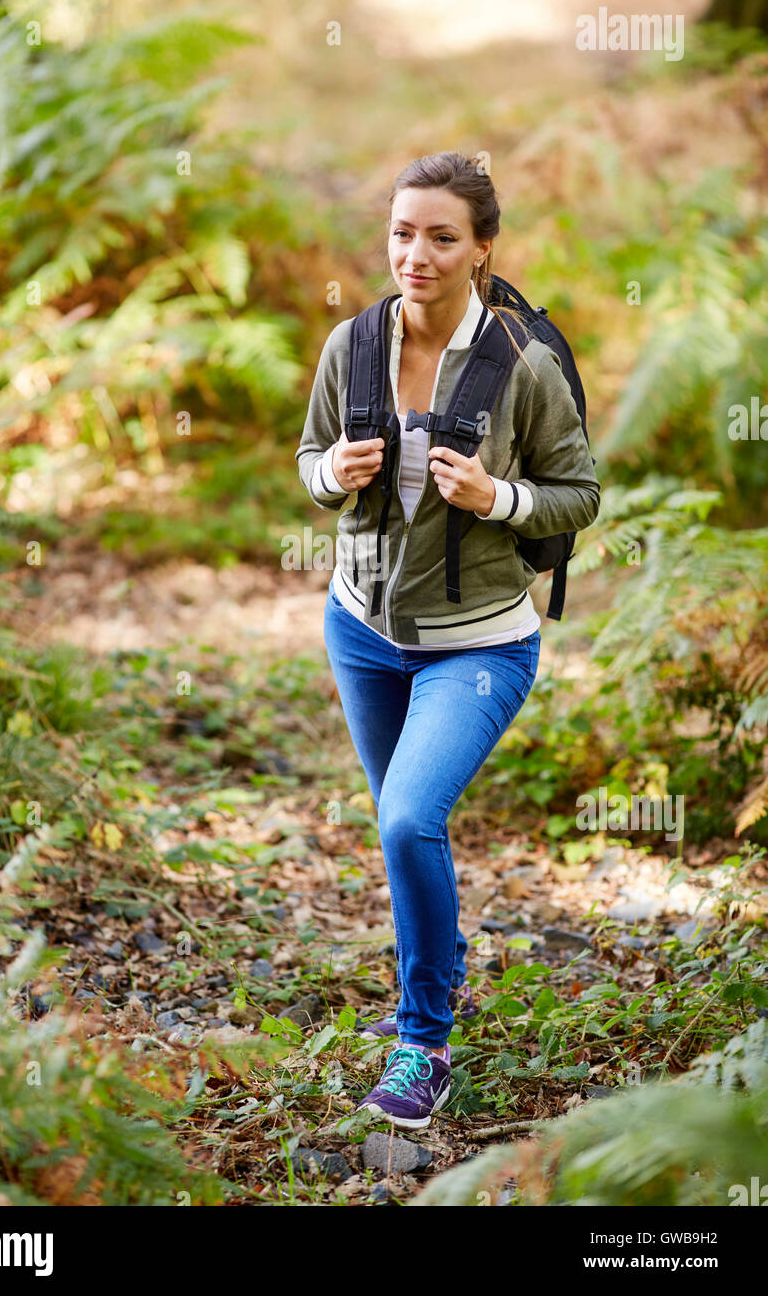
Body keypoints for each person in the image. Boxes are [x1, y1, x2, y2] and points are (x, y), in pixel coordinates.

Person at [294, 150, 601, 1128]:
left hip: (478, 642)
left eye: (438, 237)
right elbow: (308, 460)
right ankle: (436, 980)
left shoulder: (522, 361)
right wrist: (327, 473)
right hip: (360, 626)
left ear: (479, 249)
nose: (413, 254)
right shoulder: (350, 343)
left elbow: (577, 491)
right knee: (402, 827)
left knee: (403, 819)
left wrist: (498, 495)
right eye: (399, 232)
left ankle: (421, 1042)